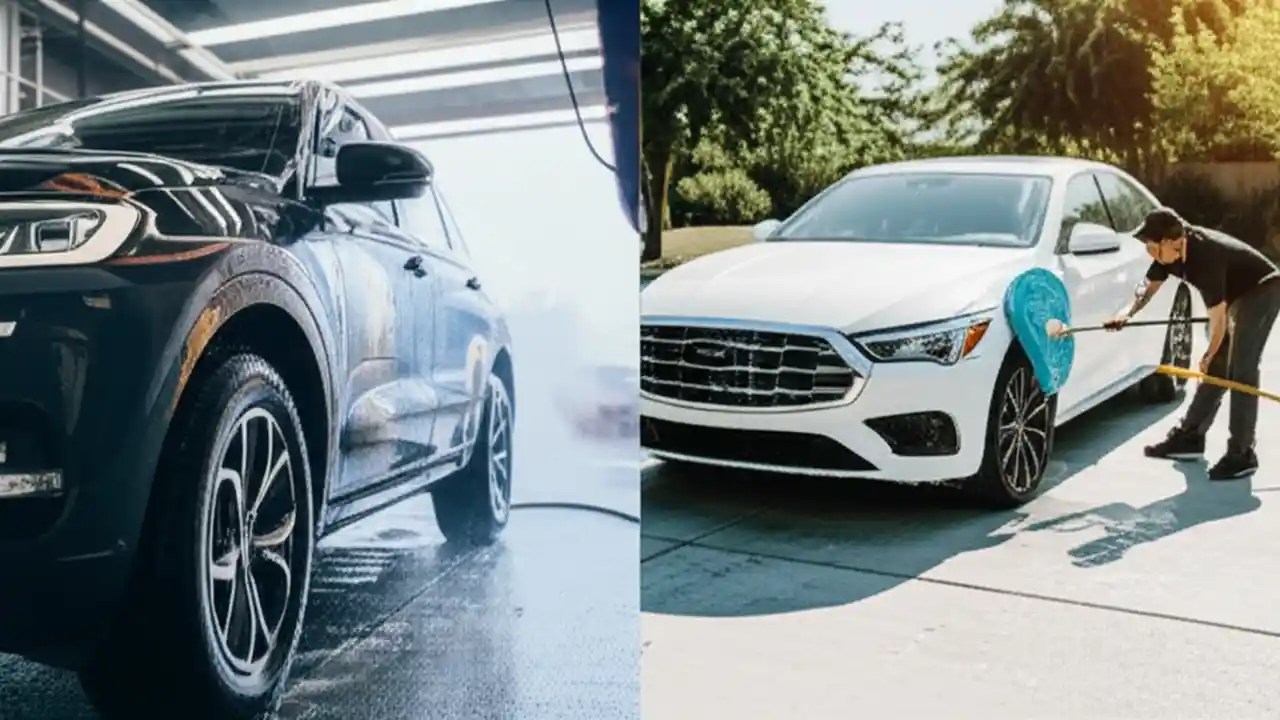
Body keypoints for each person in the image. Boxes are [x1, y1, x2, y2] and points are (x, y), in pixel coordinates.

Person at [1108, 207, 1280, 479]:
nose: (1148, 252)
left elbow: (1219, 320)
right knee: (1218, 369)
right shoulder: (1169, 255)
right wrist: (1125, 314)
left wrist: (1210, 353)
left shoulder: (1205, 259)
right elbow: (1146, 287)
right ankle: (1190, 436)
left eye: (1151, 246)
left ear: (1169, 242)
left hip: (1262, 289)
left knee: (1241, 369)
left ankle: (1242, 453)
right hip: (1234, 296)